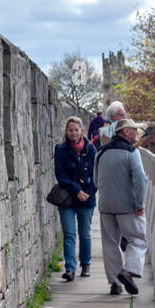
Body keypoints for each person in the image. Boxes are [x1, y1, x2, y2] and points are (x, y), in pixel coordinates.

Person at [94, 118, 148, 295]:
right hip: (128, 207)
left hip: (106, 205)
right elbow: (140, 179)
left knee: (110, 244)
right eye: (134, 130)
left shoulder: (100, 152)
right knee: (137, 240)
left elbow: (95, 180)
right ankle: (128, 271)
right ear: (125, 132)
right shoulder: (132, 153)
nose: (136, 134)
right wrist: (139, 204)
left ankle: (115, 284)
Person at [54, 117, 96, 282]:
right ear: (66, 131)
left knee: (85, 234)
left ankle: (85, 264)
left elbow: (96, 175)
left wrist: (88, 193)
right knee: (69, 234)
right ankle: (70, 269)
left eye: (76, 130)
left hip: (87, 198)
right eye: (70, 130)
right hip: (68, 198)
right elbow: (61, 175)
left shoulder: (91, 149)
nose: (73, 133)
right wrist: (77, 190)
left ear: (82, 131)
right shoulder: (60, 149)